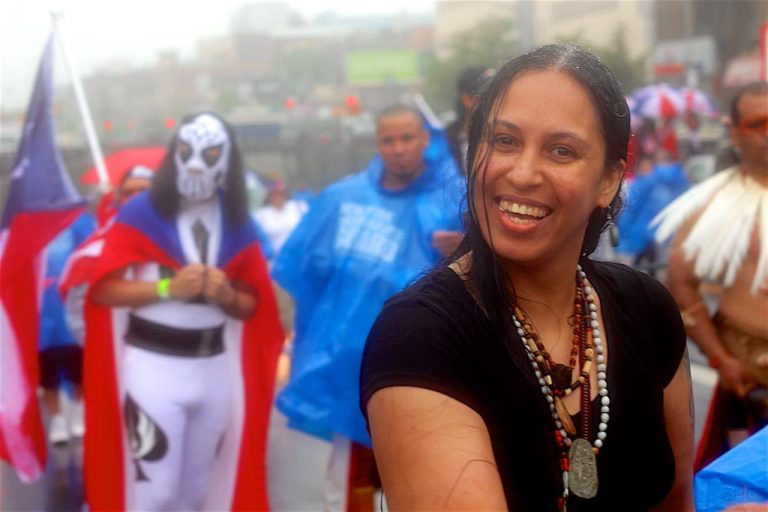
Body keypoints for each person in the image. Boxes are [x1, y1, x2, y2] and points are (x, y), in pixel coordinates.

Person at [361, 44, 694, 511]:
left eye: (561, 150)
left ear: (608, 180)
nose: (522, 173)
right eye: (504, 141)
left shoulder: (647, 309)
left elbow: (676, 499)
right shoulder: (419, 336)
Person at [271, 104, 464, 511]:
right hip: (350, 372)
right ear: (376, 144)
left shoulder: (454, 199)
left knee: (422, 483)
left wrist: (467, 250)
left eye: (407, 138)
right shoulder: (343, 199)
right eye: (388, 140)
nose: (399, 148)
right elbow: (299, 272)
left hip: (425, 369)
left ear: (425, 140)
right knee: (351, 488)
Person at [86, 112, 283, 511]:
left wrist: (225, 295)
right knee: (155, 494)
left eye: (208, 154)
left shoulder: (236, 220)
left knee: (196, 495)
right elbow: (102, 290)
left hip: (213, 370)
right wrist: (167, 288)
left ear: (226, 159)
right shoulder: (141, 213)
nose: (194, 164)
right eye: (186, 150)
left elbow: (251, 304)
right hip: (153, 367)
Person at [654, 81, 768, 470]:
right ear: (734, 132)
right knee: (747, 488)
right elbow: (680, 283)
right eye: (758, 124)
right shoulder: (711, 206)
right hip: (749, 382)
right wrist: (720, 358)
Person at [39, 210, 95, 444]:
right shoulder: (29, 226)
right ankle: (57, 420)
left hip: (71, 315)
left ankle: (78, 411)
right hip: (42, 319)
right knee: (47, 374)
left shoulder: (77, 223)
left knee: (78, 371)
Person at [445, 65, 495, 174]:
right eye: (490, 96)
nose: (496, 103)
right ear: (467, 99)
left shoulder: (502, 135)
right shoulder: (446, 140)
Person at [253, 178, 308, 258]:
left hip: (300, 257)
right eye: (274, 194)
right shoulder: (260, 215)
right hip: (275, 259)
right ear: (269, 196)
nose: (278, 197)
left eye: (280, 193)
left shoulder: (299, 207)